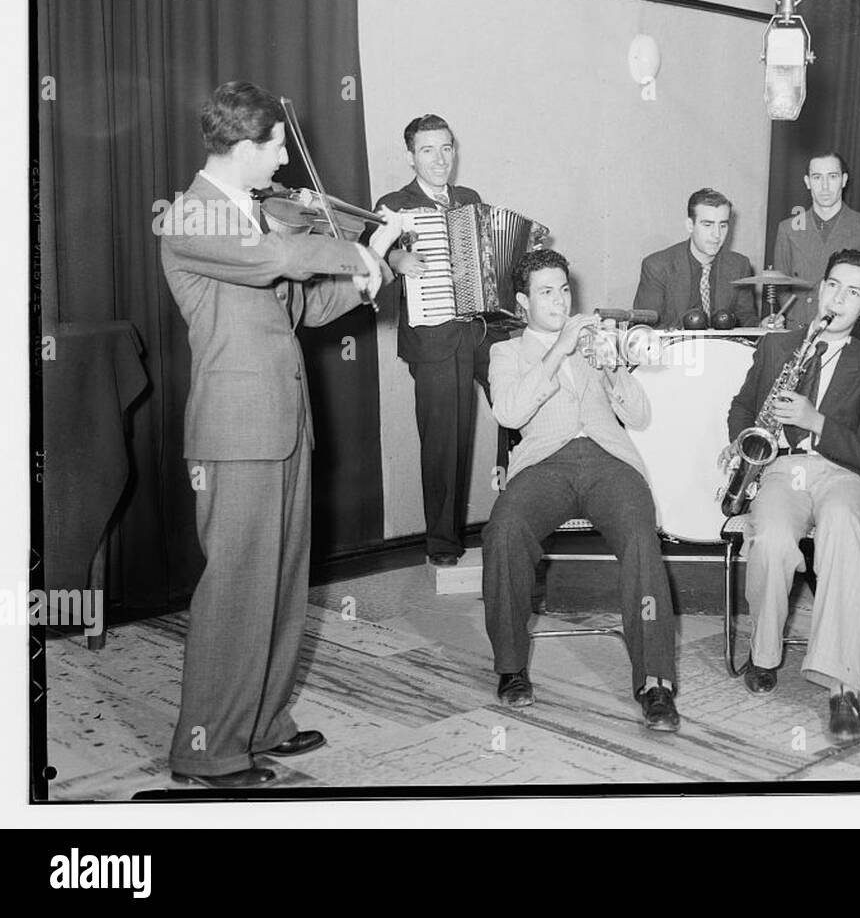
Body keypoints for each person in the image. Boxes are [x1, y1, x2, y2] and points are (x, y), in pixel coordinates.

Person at [159, 81, 391, 788]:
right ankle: (209, 750)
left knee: (283, 583)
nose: (288, 154)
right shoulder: (189, 217)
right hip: (235, 431)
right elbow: (285, 261)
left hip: (286, 425)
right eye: (277, 144)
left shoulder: (259, 216)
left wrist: (368, 280)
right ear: (243, 148)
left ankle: (260, 723)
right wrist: (363, 249)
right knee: (235, 587)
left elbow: (303, 308)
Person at [482, 250, 680, 731]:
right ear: (523, 302)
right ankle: (511, 668)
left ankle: (655, 683)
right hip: (543, 463)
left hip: (608, 460)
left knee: (640, 537)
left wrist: (613, 367)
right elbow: (508, 413)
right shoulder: (506, 353)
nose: (560, 300)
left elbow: (638, 416)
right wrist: (558, 351)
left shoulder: (596, 344)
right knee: (504, 530)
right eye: (547, 292)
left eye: (564, 290)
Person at [723, 249, 860, 745]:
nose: (840, 298)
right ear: (821, 290)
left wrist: (815, 421)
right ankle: (764, 654)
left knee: (841, 528)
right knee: (774, 540)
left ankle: (843, 683)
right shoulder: (778, 346)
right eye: (834, 286)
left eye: (854, 293)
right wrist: (745, 441)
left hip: (844, 474)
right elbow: (740, 405)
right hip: (781, 467)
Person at [374, 114, 504, 567]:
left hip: (477, 329)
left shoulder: (469, 199)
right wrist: (396, 260)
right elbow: (371, 263)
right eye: (428, 150)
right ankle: (443, 546)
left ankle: (515, 523)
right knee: (445, 442)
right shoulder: (394, 204)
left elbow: (484, 263)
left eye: (446, 148)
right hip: (432, 340)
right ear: (411, 155)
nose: (440, 159)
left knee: (523, 399)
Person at [770, 151, 860, 330]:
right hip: (801, 329)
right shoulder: (788, 229)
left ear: (844, 180)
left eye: (832, 177)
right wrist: (800, 319)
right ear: (807, 182)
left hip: (851, 332)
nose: (825, 186)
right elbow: (781, 287)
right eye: (817, 177)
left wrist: (852, 322)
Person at [633, 187, 758, 328]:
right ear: (690, 225)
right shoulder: (657, 266)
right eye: (707, 225)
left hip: (724, 348)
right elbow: (645, 328)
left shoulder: (739, 265)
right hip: (674, 348)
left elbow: (746, 319)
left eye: (723, 225)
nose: (717, 235)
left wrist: (763, 326)